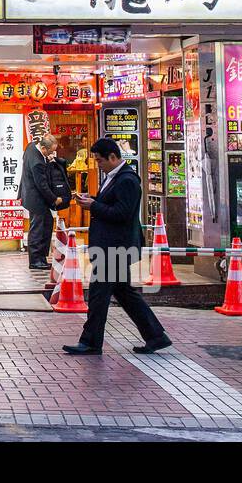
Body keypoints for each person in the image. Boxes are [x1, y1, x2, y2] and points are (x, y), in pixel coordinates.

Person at [64, 138, 172, 356]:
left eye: (100, 160)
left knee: (98, 295)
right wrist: (93, 200)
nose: (98, 165)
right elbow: (111, 205)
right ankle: (156, 336)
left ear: (113, 157)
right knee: (124, 293)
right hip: (112, 247)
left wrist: (94, 205)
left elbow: (122, 213)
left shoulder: (127, 180)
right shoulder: (114, 178)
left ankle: (91, 342)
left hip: (115, 248)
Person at [17, 133, 60, 269]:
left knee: (45, 224)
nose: (52, 153)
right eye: (51, 151)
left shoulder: (30, 147)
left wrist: (48, 160)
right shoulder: (37, 162)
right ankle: (36, 261)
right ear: (43, 148)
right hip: (35, 198)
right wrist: (55, 199)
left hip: (29, 194)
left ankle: (40, 258)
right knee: (38, 228)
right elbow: (42, 185)